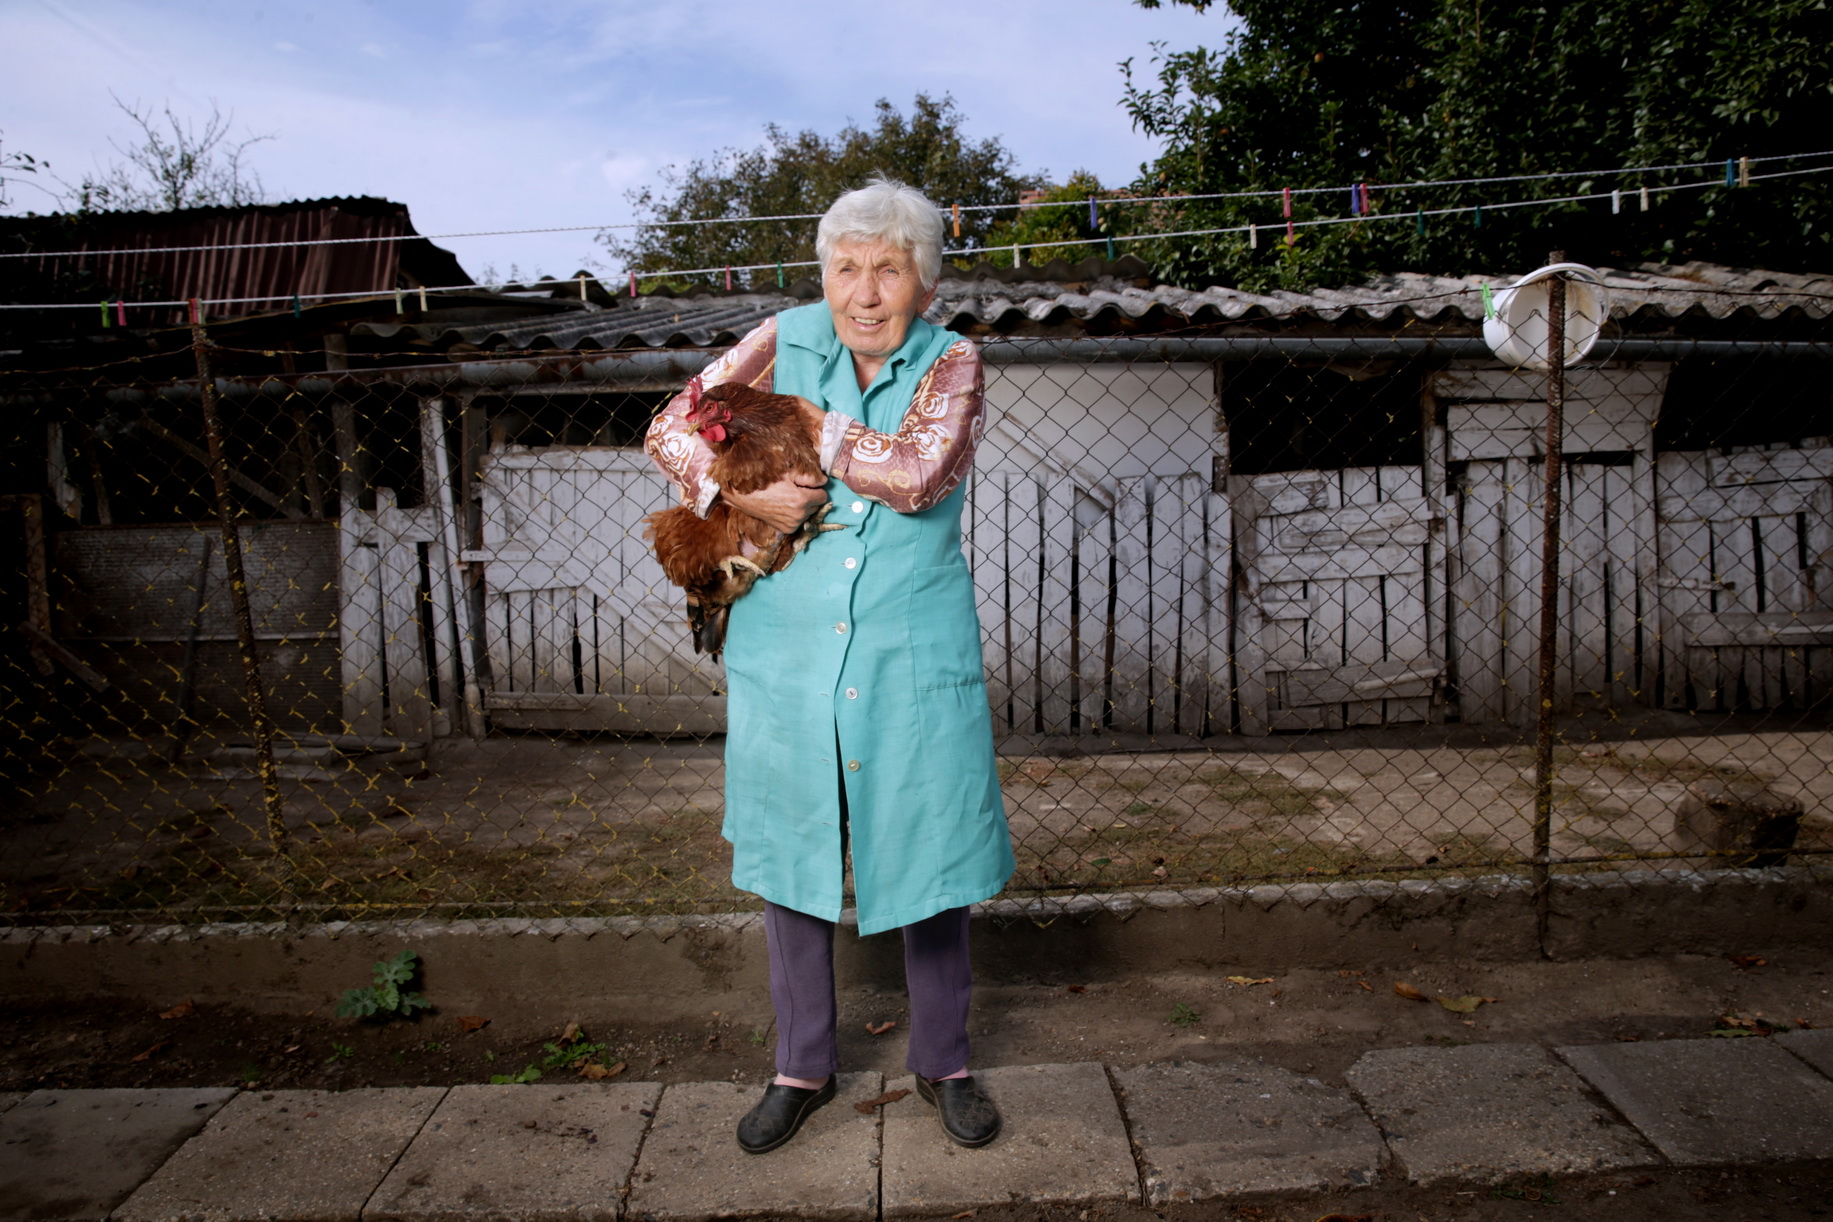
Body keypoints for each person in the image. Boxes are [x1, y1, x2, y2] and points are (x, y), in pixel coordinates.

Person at [644, 176, 1013, 1154]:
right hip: (787, 649)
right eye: (845, 267)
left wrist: (805, 426)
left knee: (928, 856)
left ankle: (945, 1063)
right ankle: (800, 1065)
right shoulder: (777, 336)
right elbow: (670, 427)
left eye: (888, 268)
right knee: (793, 857)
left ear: (923, 280)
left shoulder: (955, 361)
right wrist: (738, 491)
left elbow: (919, 471)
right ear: (823, 272)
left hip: (908, 650)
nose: (863, 290)